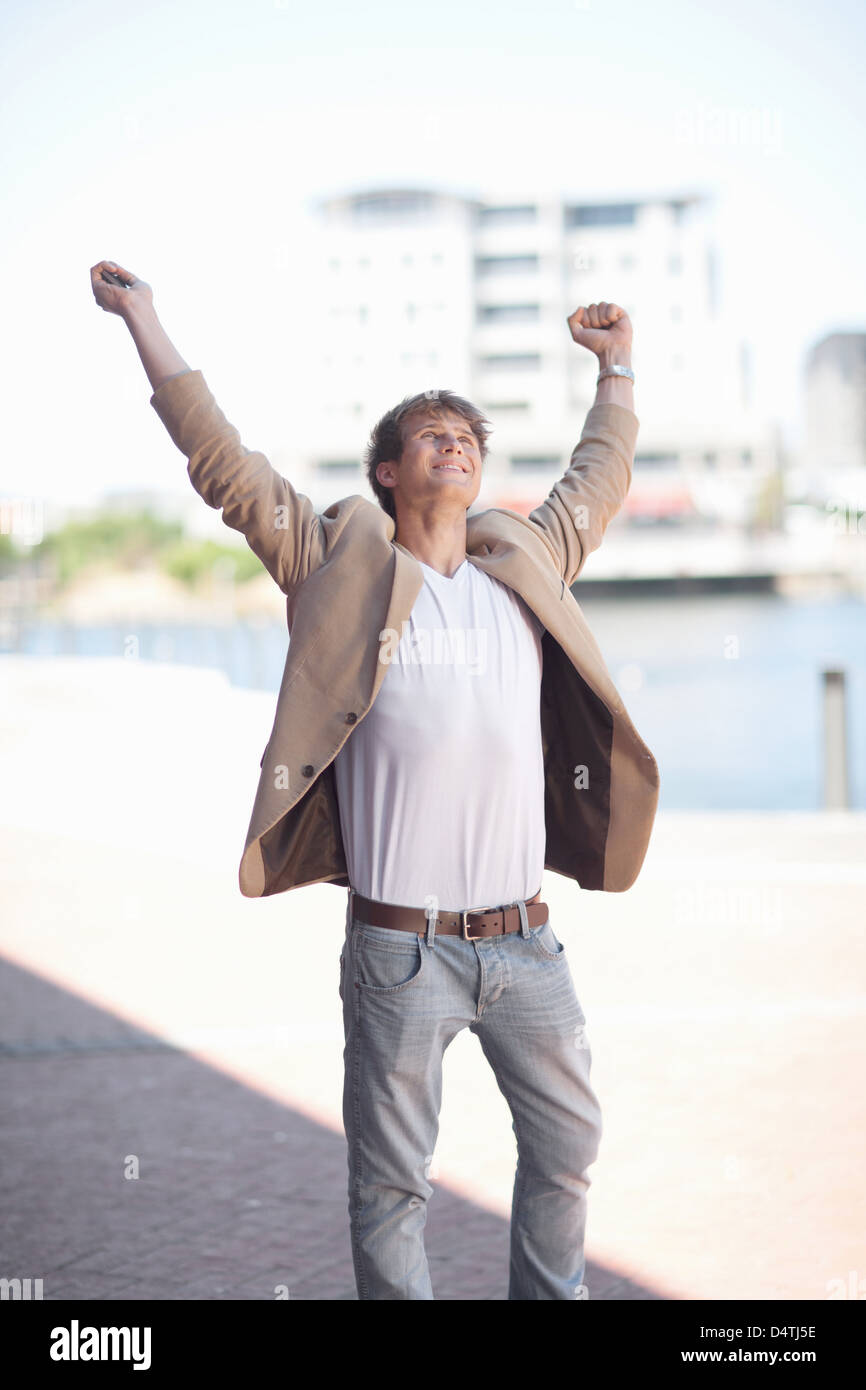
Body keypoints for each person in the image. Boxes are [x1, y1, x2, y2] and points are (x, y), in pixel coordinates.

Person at [90, 258, 659, 1300]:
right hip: (400, 952)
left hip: (524, 942)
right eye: (433, 435)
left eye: (468, 439)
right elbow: (224, 461)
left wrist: (614, 369)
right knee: (393, 1184)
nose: (456, 445)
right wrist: (145, 319)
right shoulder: (333, 563)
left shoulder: (521, 568)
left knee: (570, 1143)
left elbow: (596, 482)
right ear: (390, 471)